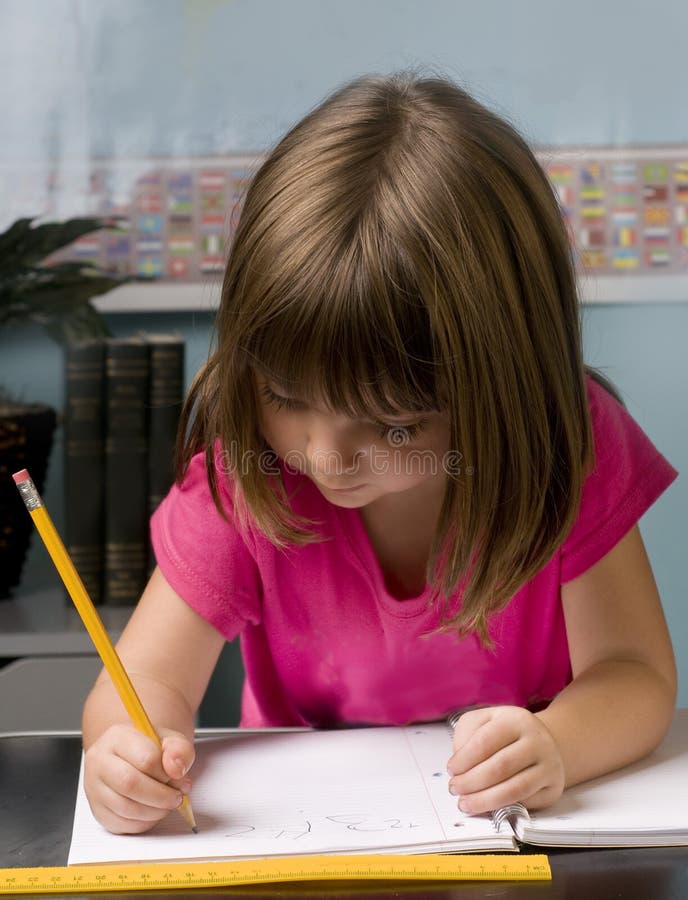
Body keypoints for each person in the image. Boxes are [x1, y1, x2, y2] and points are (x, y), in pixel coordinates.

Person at [82, 72, 678, 835]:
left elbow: (635, 676)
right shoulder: (245, 480)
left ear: (506, 392)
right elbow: (142, 685)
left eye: (394, 425)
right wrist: (127, 754)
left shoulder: (567, 451)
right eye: (286, 399)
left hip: (523, 846)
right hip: (306, 850)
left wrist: (560, 742)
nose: (326, 458)